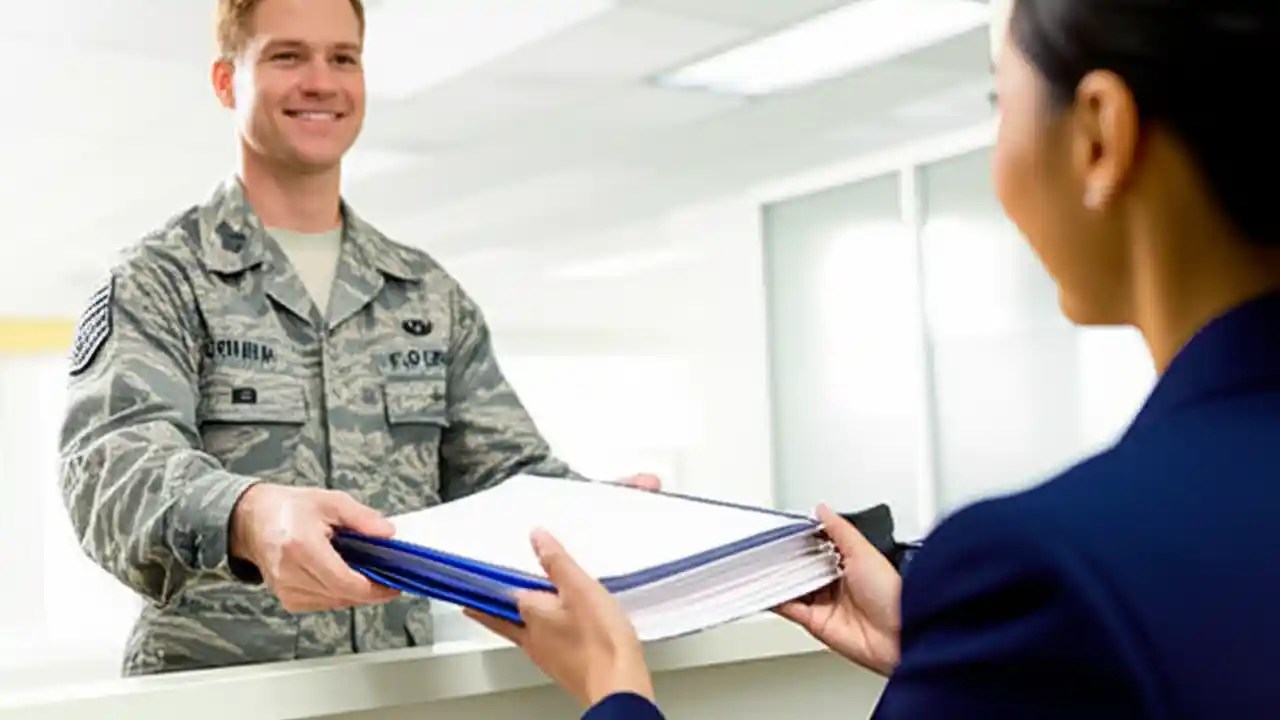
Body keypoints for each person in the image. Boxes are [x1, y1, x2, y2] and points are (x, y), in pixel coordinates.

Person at [465, 0, 1280, 717]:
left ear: (1100, 133)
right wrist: (966, 656)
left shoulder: (1051, 568)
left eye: (1003, 102)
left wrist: (615, 687)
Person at [56, 0, 657, 677]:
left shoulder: (424, 293)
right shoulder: (162, 278)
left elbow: (504, 479)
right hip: (219, 697)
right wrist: (250, 515)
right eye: (288, 56)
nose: (322, 81)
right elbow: (111, 471)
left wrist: (602, 519)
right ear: (227, 81)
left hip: (394, 690)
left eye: (343, 58)